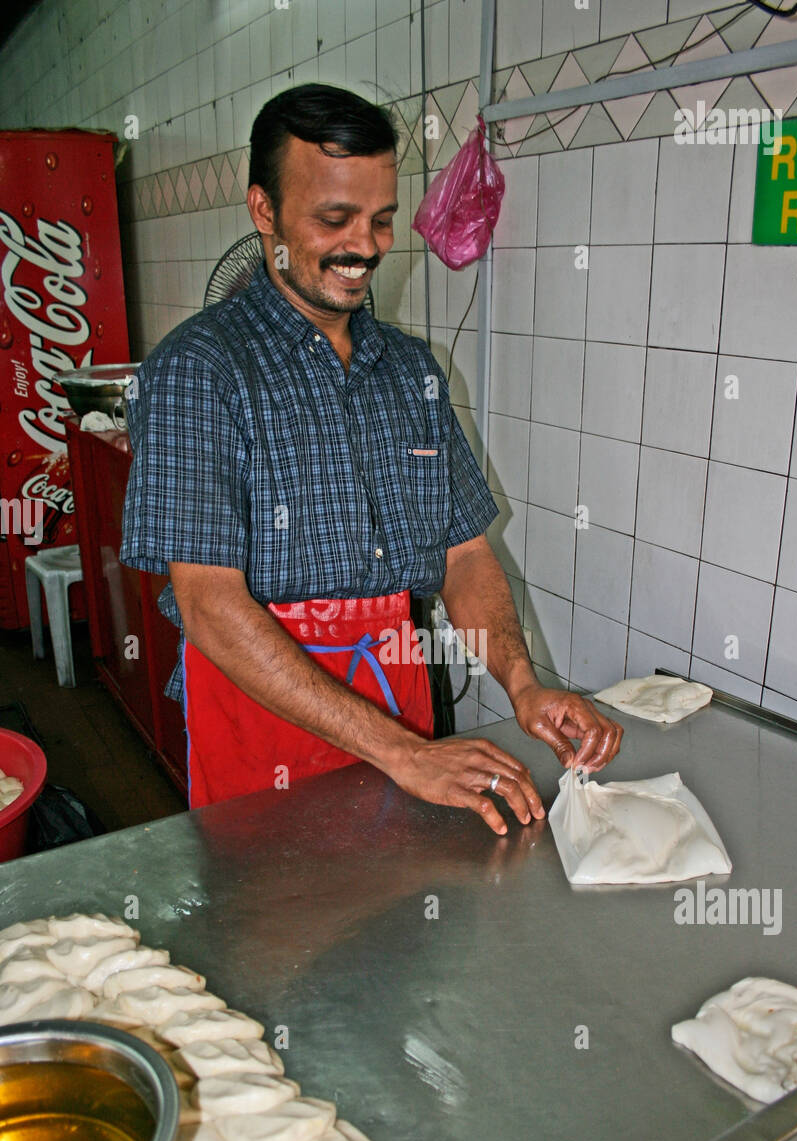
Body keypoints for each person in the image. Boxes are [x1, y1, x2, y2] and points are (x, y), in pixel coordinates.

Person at [120, 84, 623, 834]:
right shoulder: (199, 370)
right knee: (275, 936)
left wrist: (522, 684)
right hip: (264, 739)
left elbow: (463, 554)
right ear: (264, 212)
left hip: (403, 712)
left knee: (405, 930)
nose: (365, 245)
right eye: (334, 219)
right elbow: (210, 606)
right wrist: (403, 754)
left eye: (382, 220)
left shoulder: (412, 370)